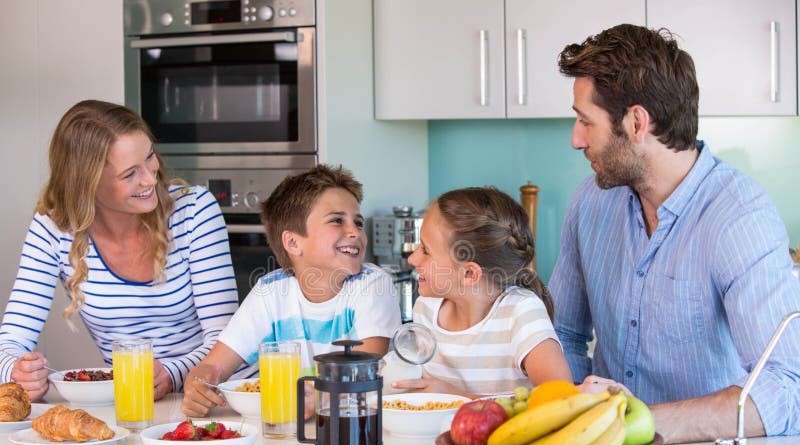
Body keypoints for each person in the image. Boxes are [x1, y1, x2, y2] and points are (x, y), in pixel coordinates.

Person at [550, 24, 800, 443]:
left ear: (636, 122)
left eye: (585, 121)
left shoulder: (740, 218)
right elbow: (565, 336)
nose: (576, 139)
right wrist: (565, 421)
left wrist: (635, 422)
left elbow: (788, 388)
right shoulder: (589, 203)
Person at [0, 100, 238, 401]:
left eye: (149, 157)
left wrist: (170, 374)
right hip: (133, 404)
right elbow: (11, 340)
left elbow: (227, 339)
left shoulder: (194, 211)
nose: (150, 179)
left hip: (219, 399)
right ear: (87, 185)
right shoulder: (54, 228)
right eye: (130, 174)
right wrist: (15, 372)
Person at [181, 164, 401, 417]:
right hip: (293, 427)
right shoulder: (271, 292)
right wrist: (199, 386)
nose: (355, 232)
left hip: (360, 428)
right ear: (293, 242)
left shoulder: (373, 284)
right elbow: (213, 366)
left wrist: (320, 398)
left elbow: (365, 371)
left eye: (358, 222)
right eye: (337, 221)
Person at [392, 187, 572, 397]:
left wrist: (458, 398)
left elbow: (561, 398)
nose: (412, 259)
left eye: (426, 250)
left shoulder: (521, 312)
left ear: (469, 274)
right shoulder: (425, 309)